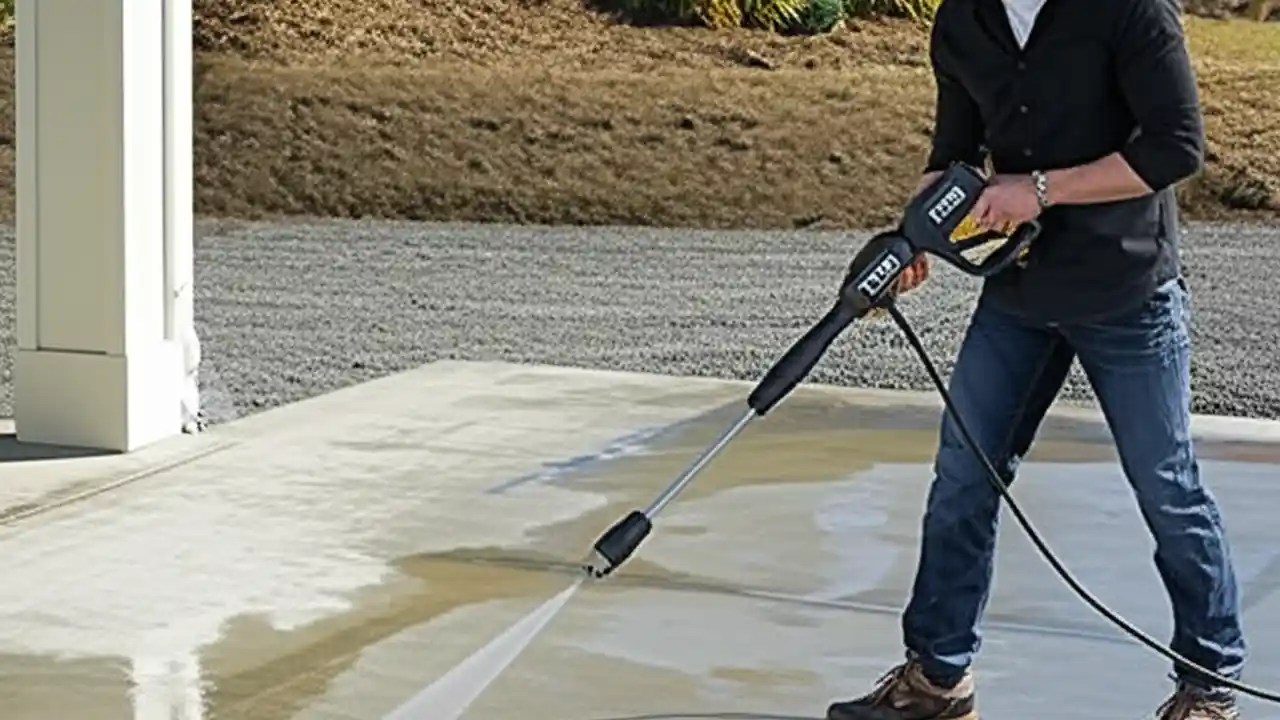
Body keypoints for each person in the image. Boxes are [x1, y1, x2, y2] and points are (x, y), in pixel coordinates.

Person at [825, 0, 1249, 719]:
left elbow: (1176, 147)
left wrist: (1040, 190)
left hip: (1127, 291)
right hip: (1017, 292)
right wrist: (923, 226)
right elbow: (956, 156)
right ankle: (937, 677)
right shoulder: (963, 20)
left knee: (1167, 490)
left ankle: (1207, 688)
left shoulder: (1133, 12)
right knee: (963, 476)